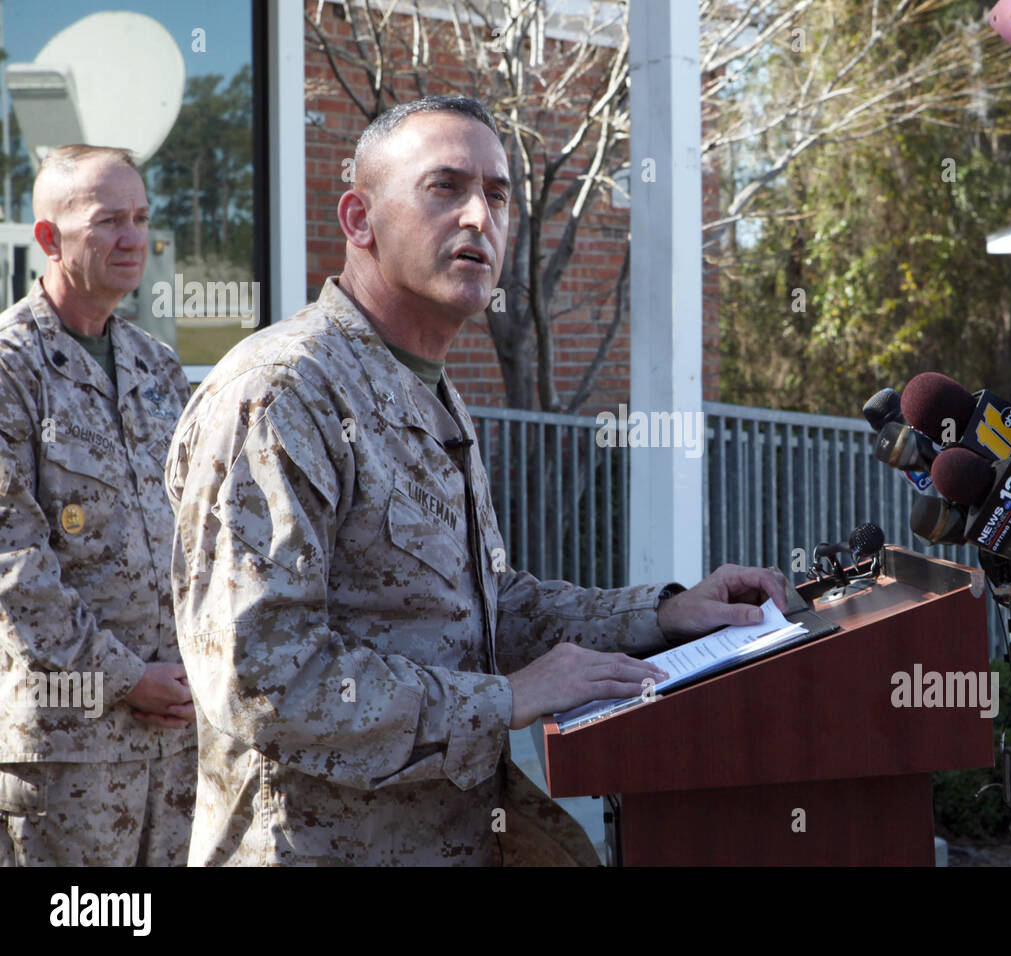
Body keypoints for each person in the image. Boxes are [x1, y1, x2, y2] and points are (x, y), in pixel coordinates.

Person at [166, 96, 786, 866]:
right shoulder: (281, 393)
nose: (477, 218)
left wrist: (662, 616)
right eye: (444, 188)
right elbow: (257, 674)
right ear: (359, 219)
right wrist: (507, 699)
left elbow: (489, 609)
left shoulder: (432, 392)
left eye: (496, 195)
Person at [0, 145, 196, 866]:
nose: (134, 238)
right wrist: (126, 679)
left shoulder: (158, 365)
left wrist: (191, 674)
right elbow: (14, 567)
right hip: (68, 755)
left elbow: (198, 537)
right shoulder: (11, 368)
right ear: (49, 238)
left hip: (175, 746)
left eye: (141, 218)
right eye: (109, 221)